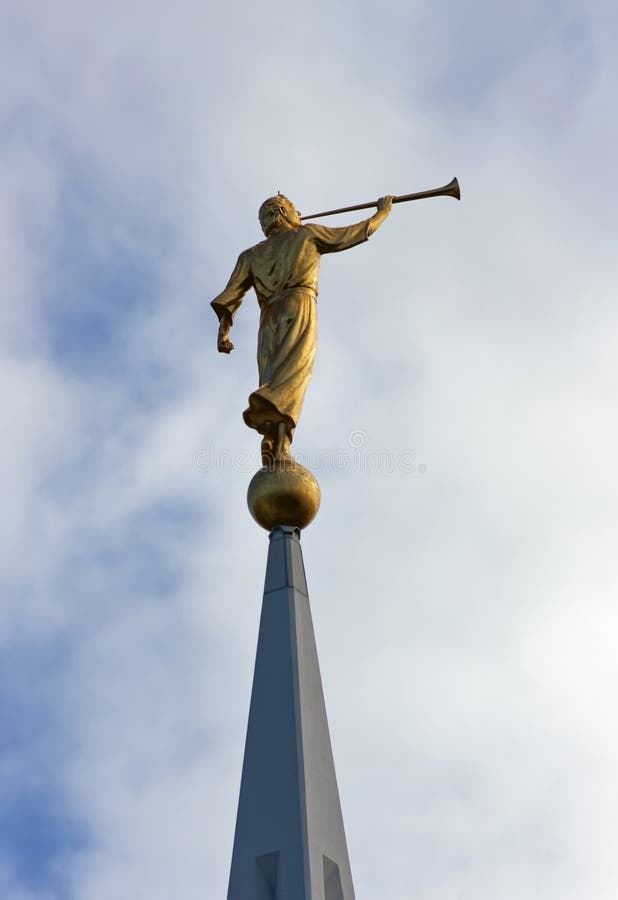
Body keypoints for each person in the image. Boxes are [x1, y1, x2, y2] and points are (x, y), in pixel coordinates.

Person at [211, 193, 393, 464]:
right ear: (285, 213)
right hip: (299, 306)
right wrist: (382, 213)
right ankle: (281, 442)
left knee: (272, 375)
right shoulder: (307, 234)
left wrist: (223, 332)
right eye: (296, 210)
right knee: (294, 376)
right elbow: (352, 234)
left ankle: (272, 438)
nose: (300, 214)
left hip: (268, 318)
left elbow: (231, 295)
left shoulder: (250, 255)